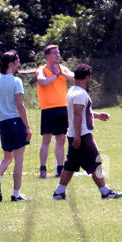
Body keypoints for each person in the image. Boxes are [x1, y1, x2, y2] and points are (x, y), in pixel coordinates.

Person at [52, 64, 122, 200]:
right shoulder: (80, 93)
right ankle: (105, 192)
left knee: (71, 165)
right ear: (87, 77)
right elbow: (78, 115)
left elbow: (81, 112)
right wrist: (79, 137)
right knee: (95, 163)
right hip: (82, 135)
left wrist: (96, 115)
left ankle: (58, 193)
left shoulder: (73, 90)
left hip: (75, 134)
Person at [0, 50, 31, 201]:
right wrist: (27, 127)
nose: (19, 64)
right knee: (19, 160)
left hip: (2, 123)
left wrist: (1, 107)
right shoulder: (16, 81)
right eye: (18, 61)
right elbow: (20, 105)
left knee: (7, 157)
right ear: (11, 63)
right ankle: (16, 194)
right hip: (16, 122)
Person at [34, 44, 74, 179]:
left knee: (61, 139)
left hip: (62, 107)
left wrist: (62, 73)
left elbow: (76, 79)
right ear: (47, 56)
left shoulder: (62, 69)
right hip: (47, 109)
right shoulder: (41, 69)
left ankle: (60, 168)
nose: (58, 55)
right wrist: (56, 76)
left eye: (58, 52)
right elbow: (42, 81)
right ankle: (43, 168)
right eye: (55, 53)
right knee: (46, 139)